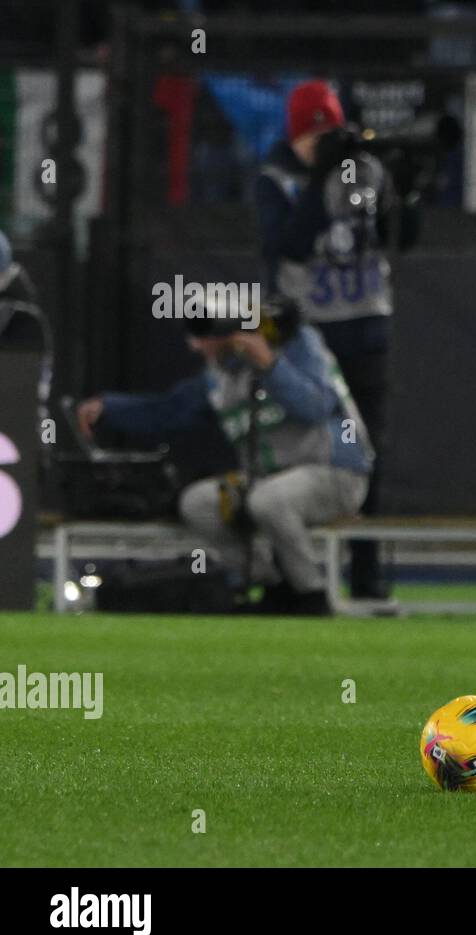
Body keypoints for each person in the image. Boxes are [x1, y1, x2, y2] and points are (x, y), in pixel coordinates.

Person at [76, 308, 373, 616]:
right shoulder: (219, 378)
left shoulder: (300, 346)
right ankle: (271, 582)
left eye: (203, 336)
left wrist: (270, 365)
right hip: (270, 482)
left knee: (268, 500)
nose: (196, 346)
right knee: (199, 502)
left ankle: (311, 597)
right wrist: (109, 409)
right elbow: (167, 410)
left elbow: (316, 406)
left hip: (337, 474)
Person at [256, 80, 416, 601]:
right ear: (298, 134)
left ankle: (367, 579)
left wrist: (409, 184)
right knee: (299, 450)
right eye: (315, 133)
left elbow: (405, 234)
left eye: (331, 129)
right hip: (309, 338)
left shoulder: (365, 169)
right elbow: (287, 246)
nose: (325, 142)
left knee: (368, 455)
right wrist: (320, 178)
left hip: (367, 329)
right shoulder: (275, 177)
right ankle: (288, 577)